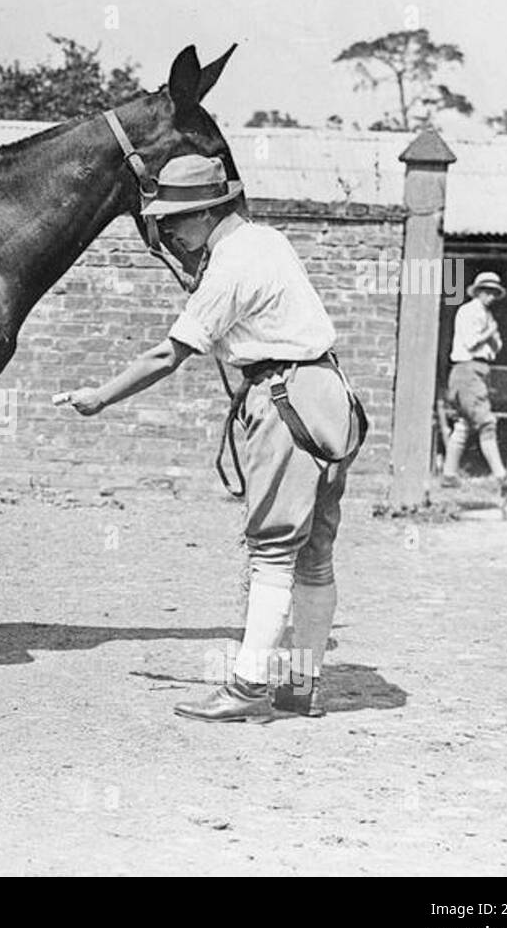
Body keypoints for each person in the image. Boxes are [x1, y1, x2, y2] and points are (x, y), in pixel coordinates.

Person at [53, 154, 363, 722]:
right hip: (329, 393)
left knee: (270, 550)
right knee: (315, 549)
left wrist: (100, 397)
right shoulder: (266, 240)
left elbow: (166, 354)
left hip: (284, 398)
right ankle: (302, 682)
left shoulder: (229, 267)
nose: (168, 232)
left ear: (205, 214)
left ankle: (247, 691)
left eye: (173, 221)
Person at [441, 272, 507, 486]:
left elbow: (497, 347)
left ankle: (449, 475)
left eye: (494, 293)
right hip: (467, 369)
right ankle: (502, 478)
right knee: (487, 423)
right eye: (487, 291)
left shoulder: (488, 315)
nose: (491, 296)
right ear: (477, 291)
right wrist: (490, 332)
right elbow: (471, 342)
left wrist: (493, 335)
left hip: (479, 370)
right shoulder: (468, 311)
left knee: (464, 424)